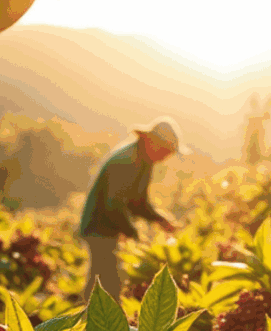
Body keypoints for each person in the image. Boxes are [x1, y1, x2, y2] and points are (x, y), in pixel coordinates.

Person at [78, 117, 189, 302]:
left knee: (106, 280)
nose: (166, 157)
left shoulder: (144, 161)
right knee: (105, 282)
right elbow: (114, 204)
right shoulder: (126, 161)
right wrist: (133, 233)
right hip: (99, 227)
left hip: (109, 227)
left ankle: (90, 313)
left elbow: (138, 203)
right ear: (152, 142)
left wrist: (160, 219)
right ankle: (89, 315)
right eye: (165, 151)